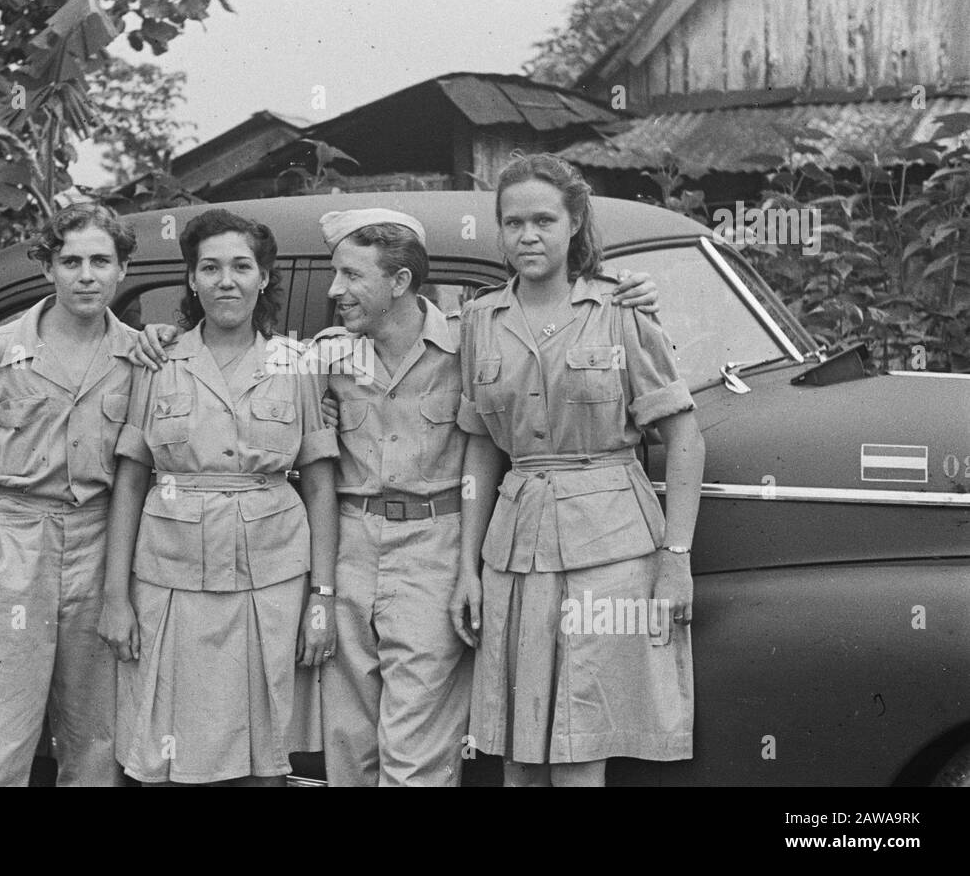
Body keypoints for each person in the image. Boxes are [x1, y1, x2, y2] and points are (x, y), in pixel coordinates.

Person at [131, 205, 663, 787]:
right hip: (348, 552)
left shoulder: (470, 344)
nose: (335, 291)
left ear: (401, 282)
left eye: (352, 277)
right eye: (334, 275)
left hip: (434, 553)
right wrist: (157, 338)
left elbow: (554, 361)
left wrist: (626, 296)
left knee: (415, 758)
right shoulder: (325, 356)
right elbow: (237, 365)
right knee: (349, 748)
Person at [450, 153, 705, 788]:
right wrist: (468, 569)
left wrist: (677, 559)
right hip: (516, 550)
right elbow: (481, 447)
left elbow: (684, 437)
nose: (527, 236)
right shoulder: (481, 320)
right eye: (513, 223)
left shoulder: (621, 310)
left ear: (573, 223)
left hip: (611, 548)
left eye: (542, 220)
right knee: (520, 742)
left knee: (581, 739)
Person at [99, 208, 339, 786]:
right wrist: (115, 595)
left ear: (263, 278)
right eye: (209, 267)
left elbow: (321, 483)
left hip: (270, 579)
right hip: (171, 580)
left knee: (265, 750)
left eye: (240, 266)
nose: (225, 280)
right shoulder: (156, 362)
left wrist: (322, 597)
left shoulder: (297, 364)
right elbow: (132, 480)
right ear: (191, 279)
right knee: (168, 753)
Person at [0, 202, 138, 787]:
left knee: (96, 731)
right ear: (49, 269)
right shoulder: (2, 350)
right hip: (16, 541)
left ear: (122, 270)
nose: (86, 275)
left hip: (98, 545)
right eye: (70, 261)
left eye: (101, 260)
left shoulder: (136, 358)